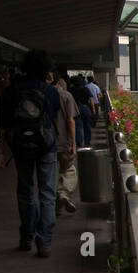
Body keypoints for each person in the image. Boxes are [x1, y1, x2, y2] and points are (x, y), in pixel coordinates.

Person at [0, 50, 61, 257]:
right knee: (48, 193)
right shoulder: (51, 91)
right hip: (46, 147)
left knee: (25, 191)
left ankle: (26, 236)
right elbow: (52, 117)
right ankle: (45, 242)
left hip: (20, 146)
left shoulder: (12, 90)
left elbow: (4, 124)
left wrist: (1, 151)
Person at [52, 75, 79, 215]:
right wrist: (74, 143)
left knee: (50, 174)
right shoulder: (67, 96)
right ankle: (63, 193)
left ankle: (53, 207)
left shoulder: (45, 94)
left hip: (47, 143)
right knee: (68, 170)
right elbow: (71, 121)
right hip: (63, 142)